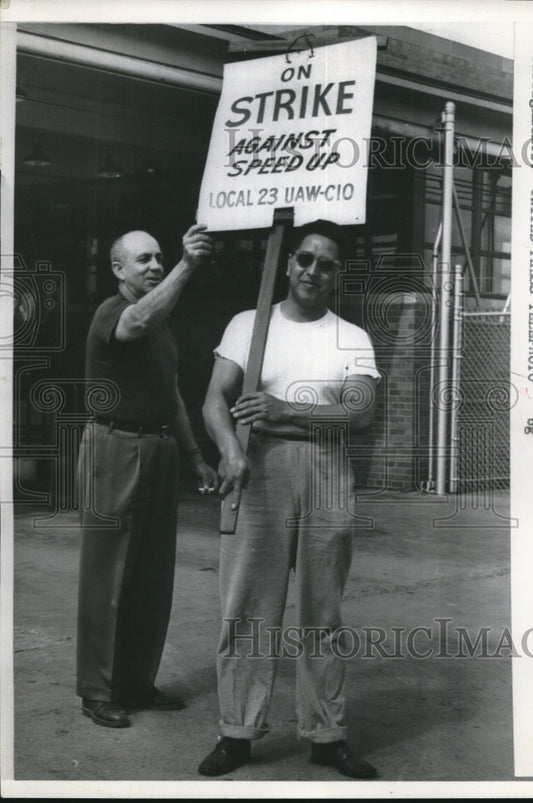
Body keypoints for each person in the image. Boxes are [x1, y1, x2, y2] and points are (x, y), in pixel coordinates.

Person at [198, 220, 380, 778]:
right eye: (304, 259)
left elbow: (360, 411)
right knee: (248, 605)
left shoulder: (350, 336)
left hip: (327, 472)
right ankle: (237, 731)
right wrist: (229, 449)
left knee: (321, 611)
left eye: (326, 264)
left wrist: (288, 412)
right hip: (259, 469)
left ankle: (326, 734)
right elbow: (213, 400)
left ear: (336, 275)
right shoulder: (249, 326)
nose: (312, 271)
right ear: (288, 263)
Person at [76, 224, 218, 728]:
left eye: (160, 257)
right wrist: (188, 263)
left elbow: (172, 392)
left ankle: (136, 681)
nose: (156, 265)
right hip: (114, 444)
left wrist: (194, 455)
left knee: (152, 575)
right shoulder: (113, 312)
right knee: (107, 574)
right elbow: (136, 319)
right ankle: (98, 690)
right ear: (118, 269)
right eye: (144, 260)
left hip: (157, 447)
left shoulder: (164, 324)